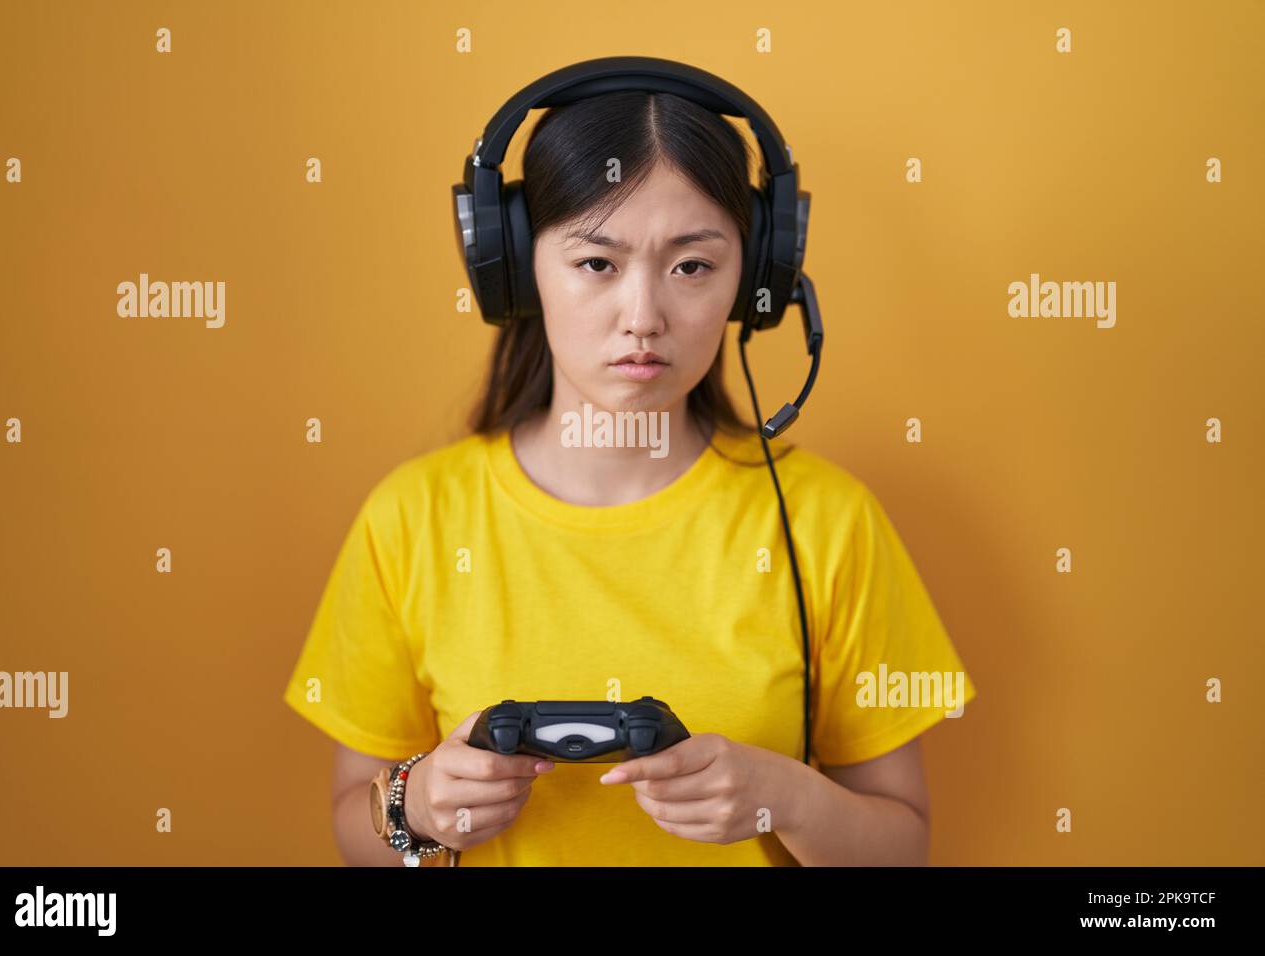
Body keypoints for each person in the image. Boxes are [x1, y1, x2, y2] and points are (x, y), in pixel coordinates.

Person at [282, 88, 977, 866]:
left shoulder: (829, 521)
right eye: (595, 263)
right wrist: (418, 806)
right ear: (514, 270)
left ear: (756, 282)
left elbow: (902, 852)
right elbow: (356, 829)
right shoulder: (410, 518)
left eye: (692, 265)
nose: (643, 314)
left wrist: (786, 796)